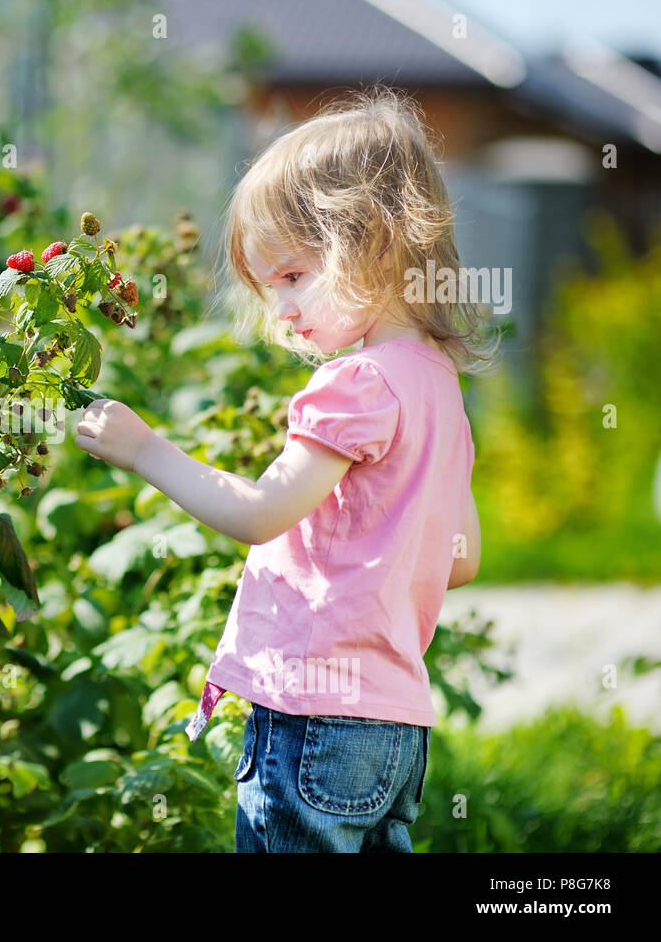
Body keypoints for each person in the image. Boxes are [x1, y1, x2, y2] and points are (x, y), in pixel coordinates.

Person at [73, 86, 501, 852]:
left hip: (312, 718)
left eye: (295, 276)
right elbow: (461, 559)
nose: (284, 309)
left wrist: (146, 451)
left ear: (372, 243)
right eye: (271, 289)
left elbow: (262, 511)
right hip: (393, 727)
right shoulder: (438, 386)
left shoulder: (358, 382)